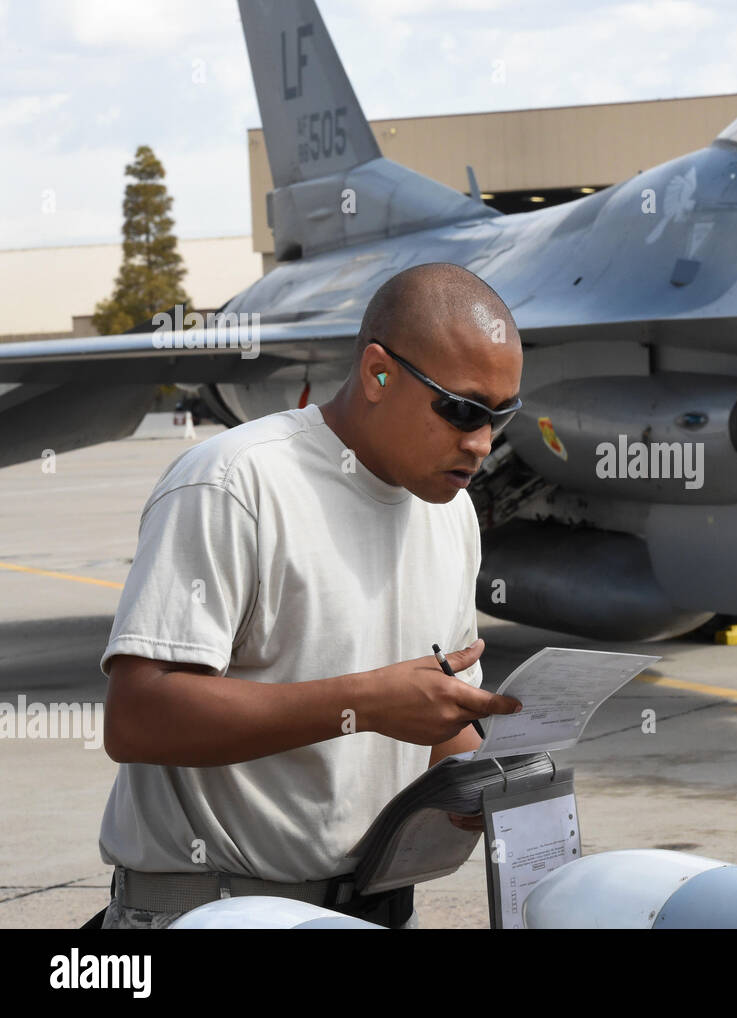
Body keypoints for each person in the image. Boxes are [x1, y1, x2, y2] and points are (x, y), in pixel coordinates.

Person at [94, 262, 525, 929]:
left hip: (375, 908)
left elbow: (431, 720)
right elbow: (137, 717)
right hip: (220, 914)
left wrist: (484, 780)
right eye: (462, 410)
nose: (481, 443)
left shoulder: (450, 512)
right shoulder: (236, 483)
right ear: (378, 373)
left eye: (501, 415)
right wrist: (368, 703)